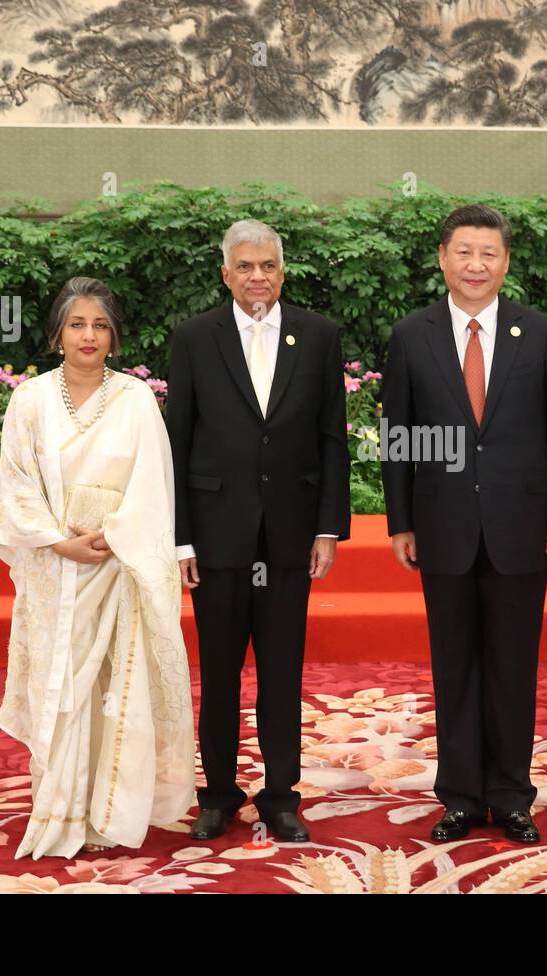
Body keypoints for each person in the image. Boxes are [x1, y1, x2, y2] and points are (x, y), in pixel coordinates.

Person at [380, 204, 547, 844]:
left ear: (505, 262)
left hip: (520, 525)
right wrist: (401, 520)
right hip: (441, 526)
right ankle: (462, 797)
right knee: (455, 666)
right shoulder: (413, 335)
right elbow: (399, 437)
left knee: (513, 665)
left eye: (488, 254)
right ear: (443, 258)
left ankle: (512, 794)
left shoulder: (539, 333)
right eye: (464, 252)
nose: (476, 265)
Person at [0, 276, 196, 860]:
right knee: (61, 689)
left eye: (100, 325)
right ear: (57, 333)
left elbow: (156, 484)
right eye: (77, 324)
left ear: (116, 337)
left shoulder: (134, 398)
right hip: (56, 569)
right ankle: (58, 812)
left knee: (112, 689)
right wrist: (57, 542)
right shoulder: (29, 399)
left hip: (117, 563)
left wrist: (111, 536)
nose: (88, 335)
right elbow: (18, 484)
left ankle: (108, 811)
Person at [166, 219, 350, 843]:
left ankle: (281, 796)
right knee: (218, 674)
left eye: (267, 266)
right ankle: (217, 794)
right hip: (216, 539)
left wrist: (328, 526)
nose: (257, 277)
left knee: (282, 673)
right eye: (244, 267)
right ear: (225, 274)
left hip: (291, 536)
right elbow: (178, 442)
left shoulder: (319, 335)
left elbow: (331, 438)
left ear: (282, 270)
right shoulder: (193, 339)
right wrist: (180, 538)